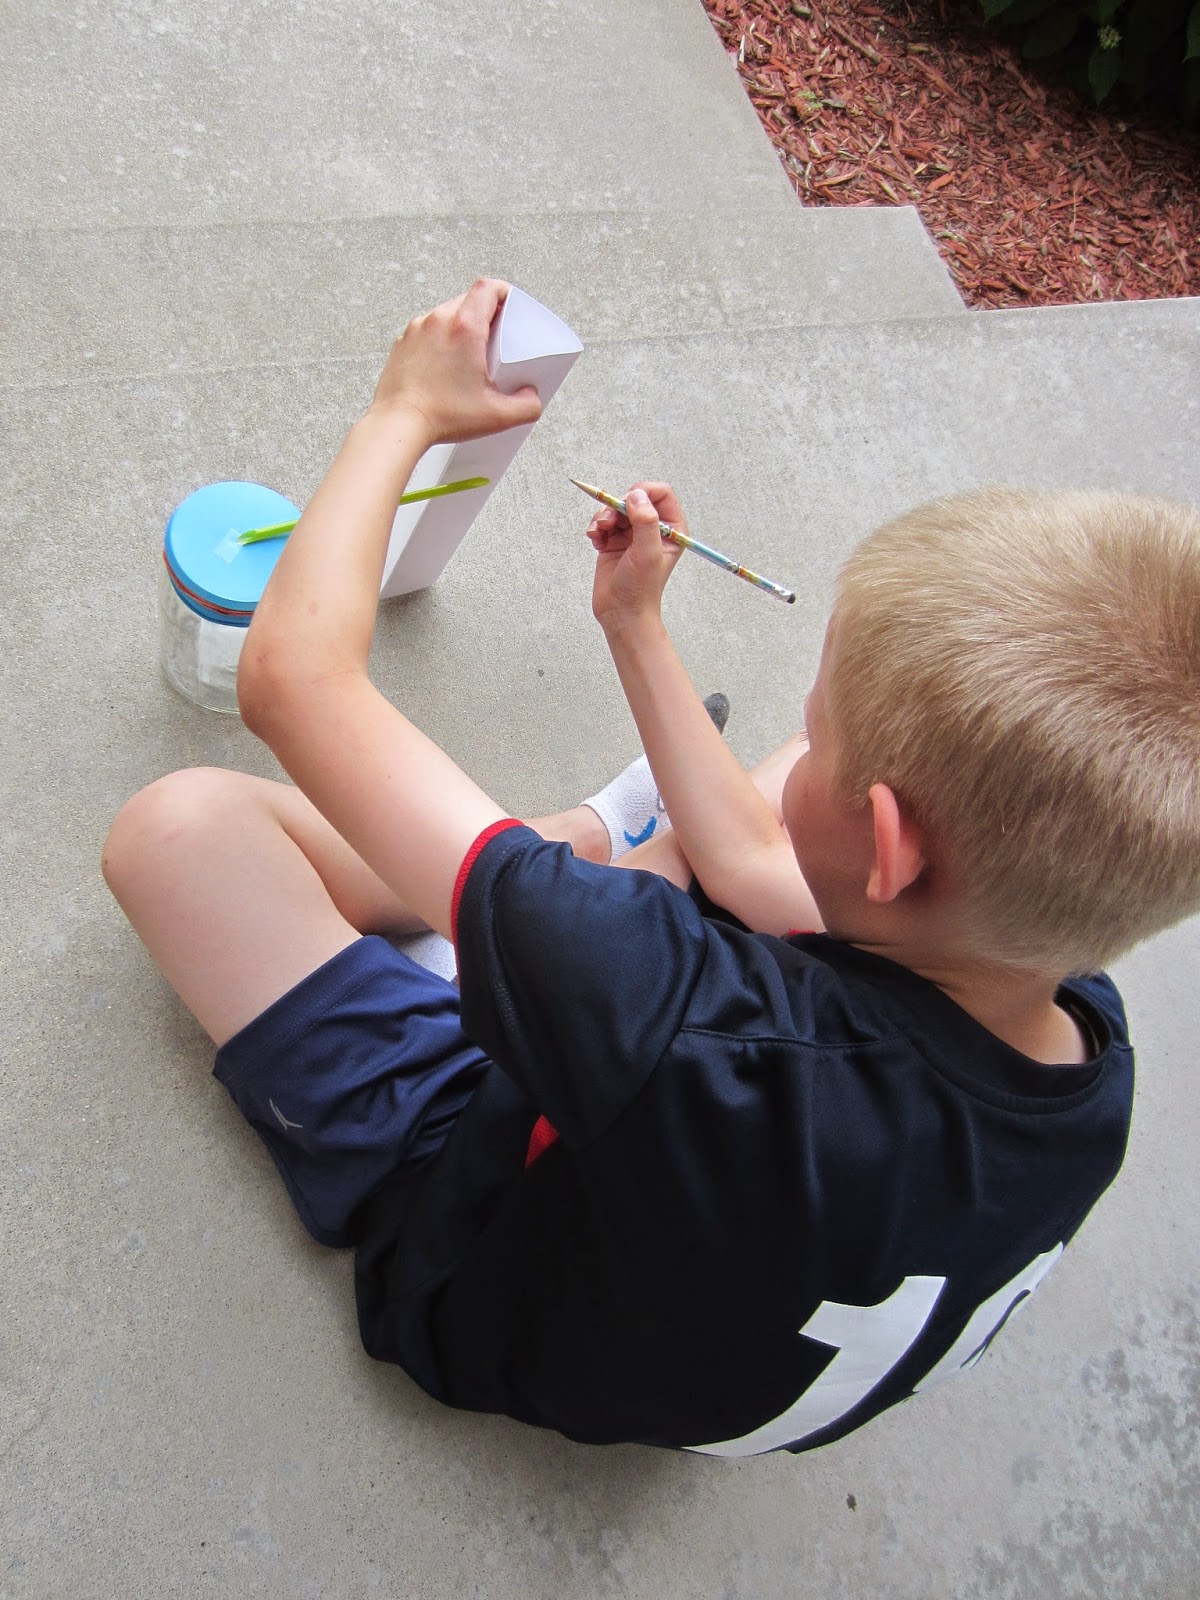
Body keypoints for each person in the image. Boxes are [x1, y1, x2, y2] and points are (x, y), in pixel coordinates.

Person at [102, 280, 1200, 1455]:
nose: (807, 746)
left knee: (178, 830)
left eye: (827, 740)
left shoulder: (665, 1005)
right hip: (716, 1263)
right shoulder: (1082, 1029)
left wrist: (400, 413)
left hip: (485, 1257)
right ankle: (559, 866)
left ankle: (535, 871)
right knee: (744, 825)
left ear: (891, 850)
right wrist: (636, 626)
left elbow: (294, 684)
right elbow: (758, 858)